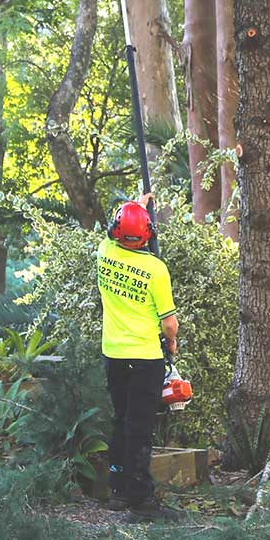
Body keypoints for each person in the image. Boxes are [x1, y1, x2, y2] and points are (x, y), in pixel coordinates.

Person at [97, 194, 180, 519]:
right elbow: (169, 323)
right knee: (141, 426)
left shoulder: (104, 253)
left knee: (121, 419)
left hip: (114, 354)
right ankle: (142, 500)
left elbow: (113, 230)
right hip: (145, 357)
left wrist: (136, 205)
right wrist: (171, 344)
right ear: (148, 235)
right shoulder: (155, 270)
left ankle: (117, 489)